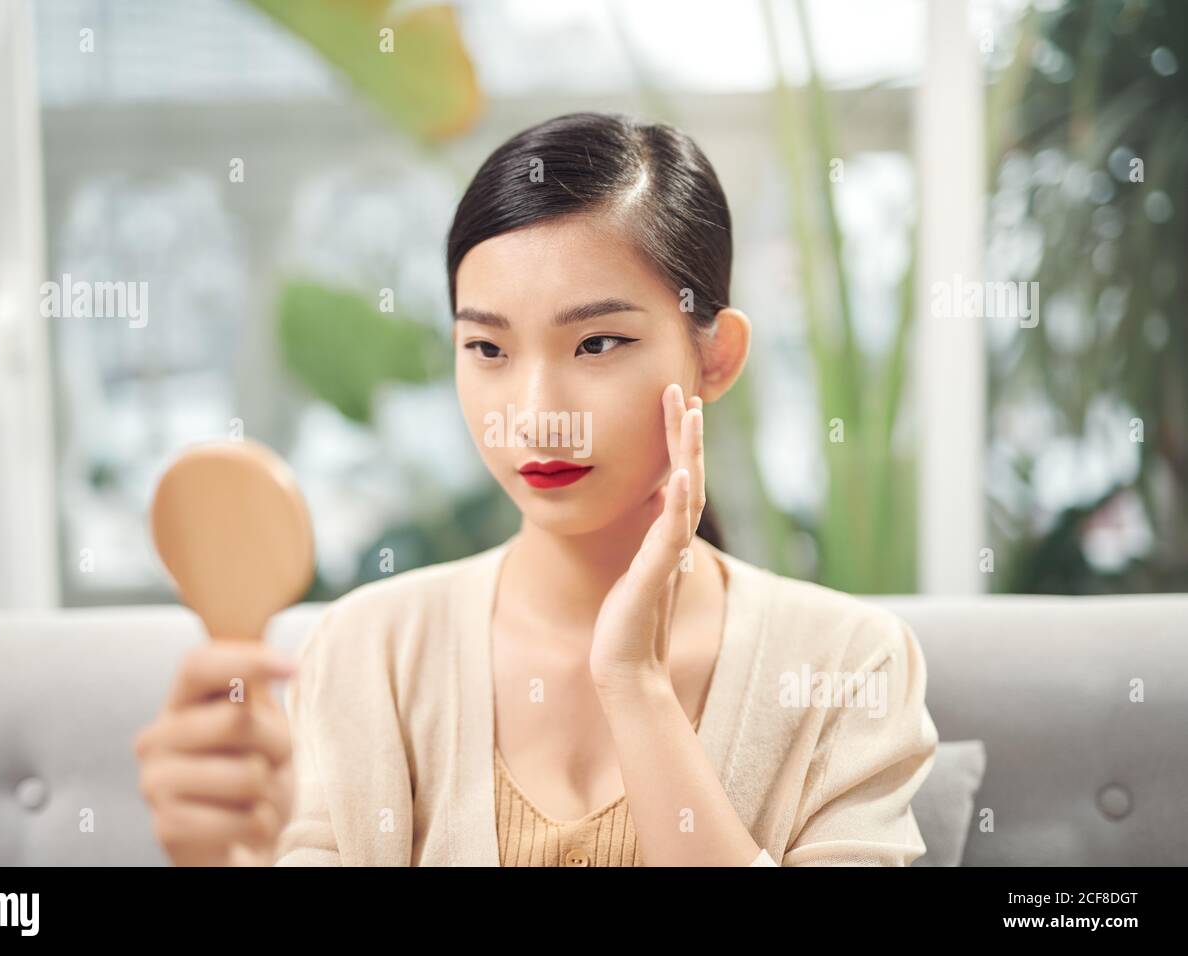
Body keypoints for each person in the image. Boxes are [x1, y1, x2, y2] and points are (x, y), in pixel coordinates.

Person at [134, 111, 939, 867]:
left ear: (717, 357)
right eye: (487, 349)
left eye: (596, 343)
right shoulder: (366, 652)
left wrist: (635, 685)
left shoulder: (850, 667)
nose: (536, 416)